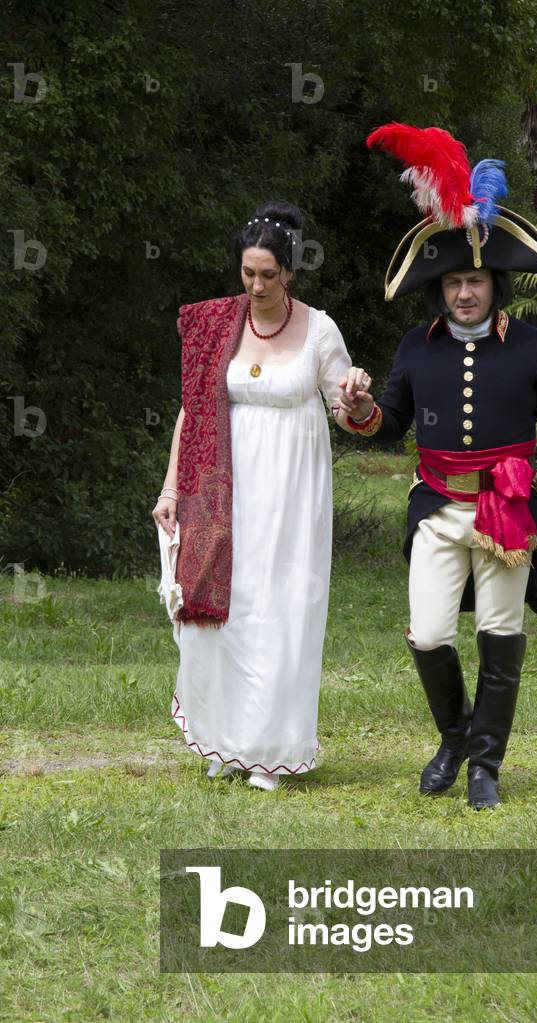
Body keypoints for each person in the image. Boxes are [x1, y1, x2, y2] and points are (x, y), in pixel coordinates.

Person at [336, 124, 537, 809]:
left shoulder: (535, 348)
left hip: (508, 509)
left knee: (500, 635)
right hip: (436, 508)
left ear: (494, 283)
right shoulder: (415, 349)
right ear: (440, 288)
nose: (464, 293)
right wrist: (361, 406)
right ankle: (454, 737)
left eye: (475, 280)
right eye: (453, 282)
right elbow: (387, 423)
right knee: (427, 633)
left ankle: (486, 764)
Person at [151, 201, 354, 791]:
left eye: (269, 274)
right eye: (248, 273)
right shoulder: (217, 325)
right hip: (220, 488)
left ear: (289, 271)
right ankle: (221, 741)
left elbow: (346, 409)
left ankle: (267, 748)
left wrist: (359, 402)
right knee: (219, 609)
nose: (257, 285)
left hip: (290, 493)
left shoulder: (320, 329)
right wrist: (171, 488)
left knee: (277, 609)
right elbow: (192, 410)